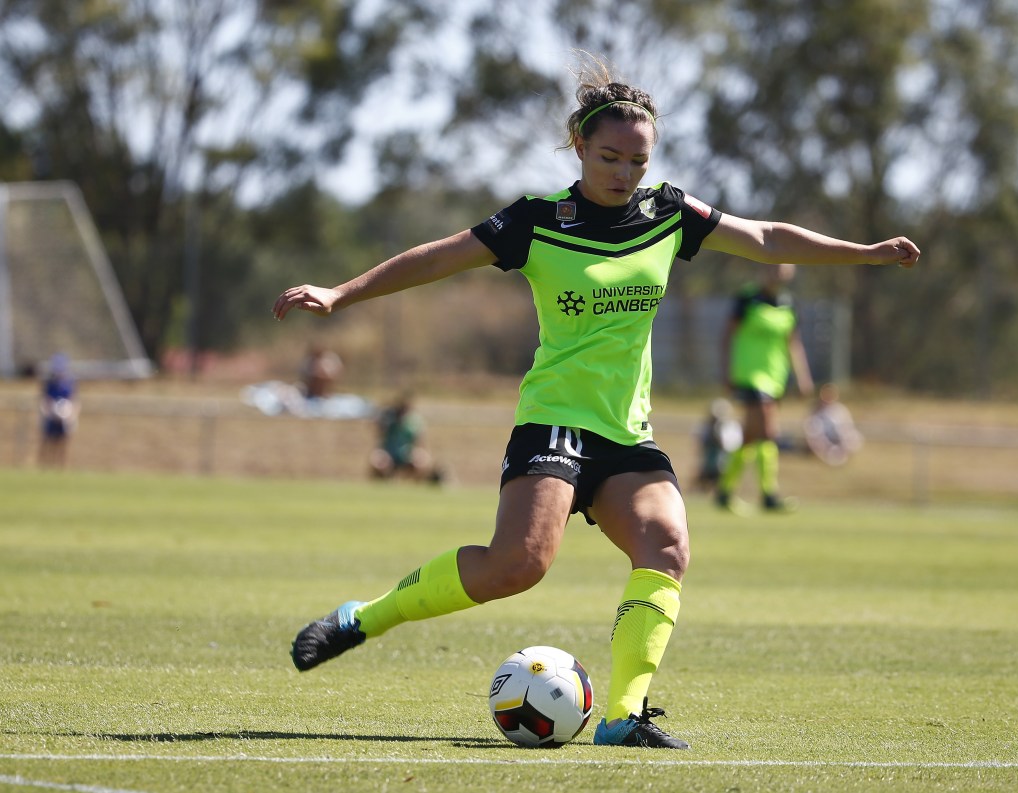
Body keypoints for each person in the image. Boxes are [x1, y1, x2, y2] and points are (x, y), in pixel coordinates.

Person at [272, 62, 919, 750]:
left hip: (626, 434)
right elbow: (437, 258)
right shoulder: (536, 221)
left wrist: (865, 252)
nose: (625, 172)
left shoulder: (667, 212)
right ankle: (363, 617)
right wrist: (342, 293)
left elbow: (762, 238)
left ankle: (622, 716)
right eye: (610, 157)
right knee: (516, 566)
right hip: (554, 419)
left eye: (638, 160)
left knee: (667, 545)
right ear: (579, 147)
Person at [716, 264, 813, 512]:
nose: (778, 272)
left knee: (750, 437)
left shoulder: (788, 303)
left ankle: (724, 492)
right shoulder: (747, 298)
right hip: (750, 375)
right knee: (768, 431)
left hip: (775, 378)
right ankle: (769, 495)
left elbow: (793, 342)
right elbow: (728, 336)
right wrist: (726, 371)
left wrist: (802, 377)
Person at [368, 394, 443, 484]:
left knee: (421, 460)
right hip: (389, 454)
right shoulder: (389, 419)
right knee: (377, 460)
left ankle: (417, 485)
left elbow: (420, 441)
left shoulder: (414, 422)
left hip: (407, 454)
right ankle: (385, 483)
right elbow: (379, 433)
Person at [804, 382, 863, 466]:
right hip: (824, 441)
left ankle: (842, 455)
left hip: (839, 440)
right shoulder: (815, 410)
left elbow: (848, 427)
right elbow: (812, 431)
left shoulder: (841, 409)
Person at [38, 353, 78, 468]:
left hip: (64, 417)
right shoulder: (49, 383)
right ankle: (44, 466)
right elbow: (45, 399)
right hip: (51, 415)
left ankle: (61, 467)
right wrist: (48, 412)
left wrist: (70, 415)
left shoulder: (69, 383)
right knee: (47, 440)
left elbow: (74, 399)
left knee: (62, 442)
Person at [695, 397, 742, 493]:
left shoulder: (731, 427)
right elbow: (702, 444)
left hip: (725, 463)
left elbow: (732, 445)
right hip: (709, 463)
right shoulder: (706, 427)